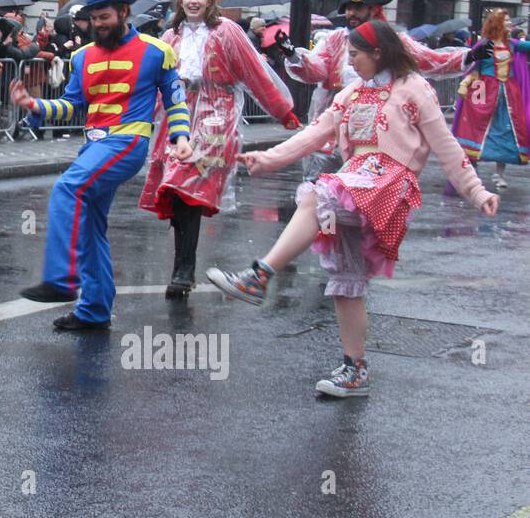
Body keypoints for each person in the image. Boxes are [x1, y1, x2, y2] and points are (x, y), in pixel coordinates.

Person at [208, 20, 498, 397]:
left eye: (357, 55)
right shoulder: (352, 93)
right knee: (347, 280)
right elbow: (316, 133)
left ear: (378, 53)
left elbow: (446, 146)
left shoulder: (414, 90)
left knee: (316, 195)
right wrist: (268, 158)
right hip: (355, 180)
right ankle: (354, 369)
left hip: (390, 183)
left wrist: (477, 192)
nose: (352, 61)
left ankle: (260, 275)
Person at [10, 0, 193, 330]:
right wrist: (35, 105)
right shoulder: (82, 57)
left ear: (124, 12)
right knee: (89, 222)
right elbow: (71, 105)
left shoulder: (157, 52)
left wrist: (180, 136)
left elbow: (176, 99)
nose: (99, 23)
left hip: (127, 143)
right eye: (94, 17)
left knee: (67, 190)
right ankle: (93, 310)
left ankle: (62, 279)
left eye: (105, 16)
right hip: (94, 143)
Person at [139, 0, 301, 299]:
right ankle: (182, 267)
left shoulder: (227, 31)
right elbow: (155, 83)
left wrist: (281, 110)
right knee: (175, 189)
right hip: (179, 115)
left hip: (216, 115)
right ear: (181, 1)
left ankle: (183, 270)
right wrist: (138, 119)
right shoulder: (171, 36)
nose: (194, 2)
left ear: (210, 1)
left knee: (188, 187)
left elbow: (255, 71)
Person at [277, 0, 471, 180]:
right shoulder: (334, 40)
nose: (351, 13)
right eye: (348, 9)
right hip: (333, 129)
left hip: (377, 131)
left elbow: (429, 60)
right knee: (317, 191)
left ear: (373, 10)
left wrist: (468, 57)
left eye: (357, 8)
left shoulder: (392, 42)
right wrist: (293, 56)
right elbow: (317, 70)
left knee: (366, 193)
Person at [449, 9, 530, 190]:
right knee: (477, 129)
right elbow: (472, 67)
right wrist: (465, 83)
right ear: (497, 23)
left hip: (508, 95)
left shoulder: (513, 44)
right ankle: (471, 169)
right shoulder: (484, 45)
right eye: (507, 21)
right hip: (485, 93)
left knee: (507, 132)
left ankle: (500, 174)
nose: (510, 24)